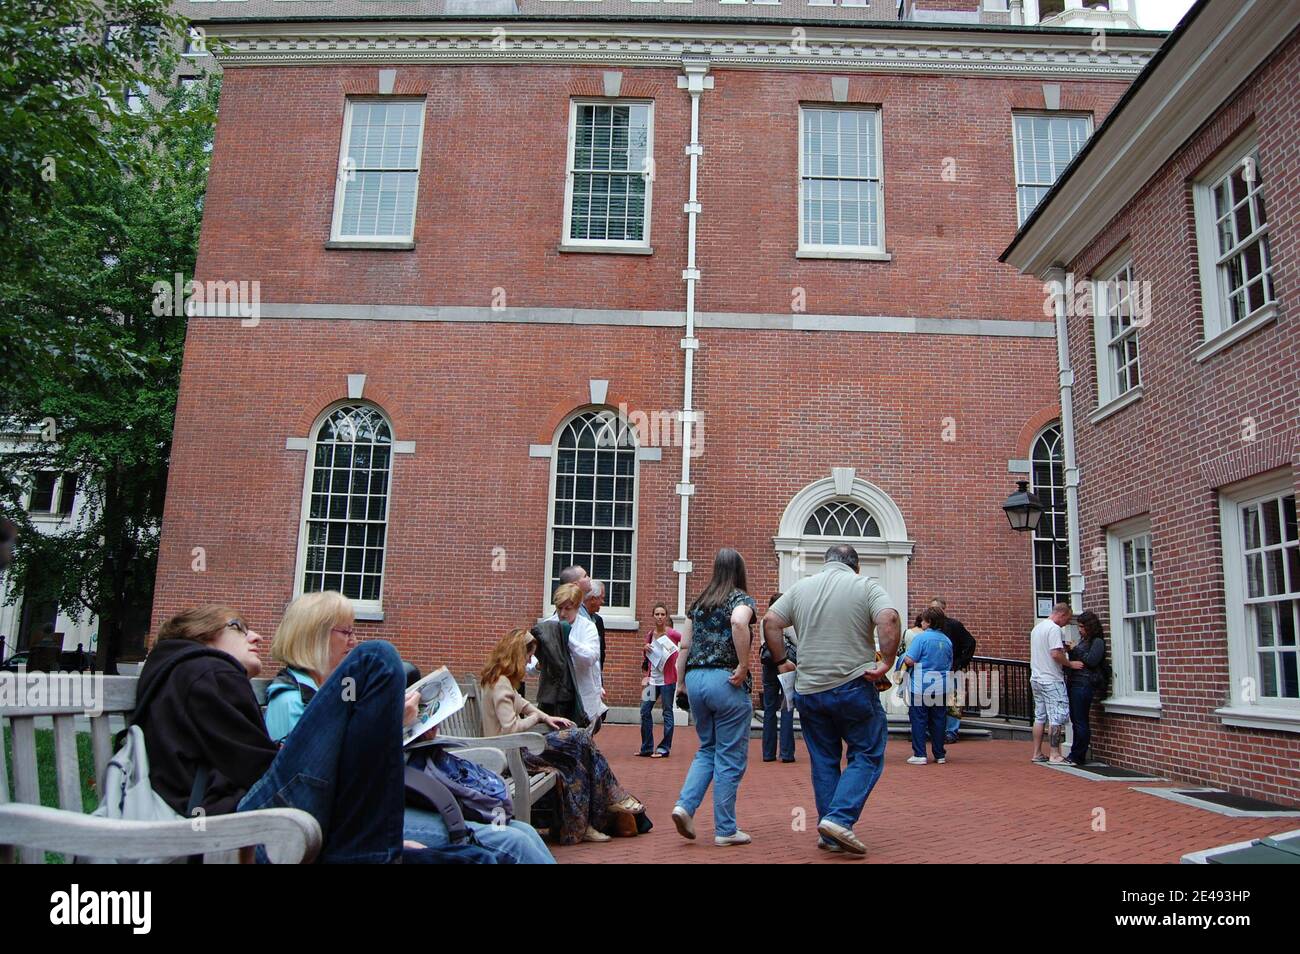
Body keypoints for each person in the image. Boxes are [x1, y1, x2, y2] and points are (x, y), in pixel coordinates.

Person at [265, 592, 555, 864]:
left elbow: (359, 755)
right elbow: (314, 786)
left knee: (521, 831)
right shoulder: (291, 701)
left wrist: (413, 732)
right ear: (314, 636)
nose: (354, 642)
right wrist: (393, 724)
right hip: (354, 823)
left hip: (387, 803)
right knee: (512, 842)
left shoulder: (337, 690)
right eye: (346, 632)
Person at [135, 605, 419, 863]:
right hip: (238, 837)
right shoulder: (206, 670)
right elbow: (258, 770)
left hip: (243, 829)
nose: (256, 636)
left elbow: (249, 763)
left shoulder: (188, 674)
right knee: (375, 658)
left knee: (457, 854)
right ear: (200, 634)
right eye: (239, 627)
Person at [764, 544, 900, 857]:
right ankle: (839, 819)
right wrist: (887, 661)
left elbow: (770, 621)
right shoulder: (866, 586)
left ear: (826, 563)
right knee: (866, 752)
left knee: (824, 759)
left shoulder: (801, 588)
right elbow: (889, 619)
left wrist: (782, 661)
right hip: (853, 684)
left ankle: (829, 832)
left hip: (810, 690)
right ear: (856, 566)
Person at [480, 628, 644, 845]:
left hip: (516, 749)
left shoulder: (501, 679)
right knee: (579, 739)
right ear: (517, 654)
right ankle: (611, 797)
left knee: (575, 762)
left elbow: (524, 705)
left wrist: (546, 717)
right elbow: (510, 728)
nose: (530, 660)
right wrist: (536, 720)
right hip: (510, 754)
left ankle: (582, 826)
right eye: (528, 655)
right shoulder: (501, 683)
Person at [672, 548, 757, 847]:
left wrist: (681, 682)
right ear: (739, 571)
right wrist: (744, 664)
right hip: (726, 680)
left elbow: (684, 646)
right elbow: (738, 622)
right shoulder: (740, 599)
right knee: (730, 755)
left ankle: (684, 806)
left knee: (707, 748)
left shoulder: (699, 603)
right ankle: (725, 829)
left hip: (695, 680)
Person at [557, 566, 606, 732]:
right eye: (559, 608)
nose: (563, 614)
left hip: (584, 697)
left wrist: (566, 638)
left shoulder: (587, 625)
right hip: (557, 698)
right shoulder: (548, 625)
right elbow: (532, 664)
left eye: (568, 609)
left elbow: (592, 657)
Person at [901, 607, 952, 765]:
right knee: (938, 720)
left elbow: (910, 660)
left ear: (929, 622)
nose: (921, 622)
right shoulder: (947, 640)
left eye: (923, 620)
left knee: (919, 719)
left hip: (921, 685)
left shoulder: (921, 639)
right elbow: (949, 663)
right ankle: (939, 754)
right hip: (941, 685)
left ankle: (920, 754)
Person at [1030, 602, 1073, 765]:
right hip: (1051, 678)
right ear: (1061, 614)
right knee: (1056, 716)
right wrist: (1070, 663)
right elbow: (1055, 654)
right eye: (1067, 619)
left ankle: (1037, 752)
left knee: (1039, 716)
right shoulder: (1055, 629)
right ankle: (1055, 753)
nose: (1067, 623)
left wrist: (1065, 649)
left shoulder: (1037, 628)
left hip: (1036, 678)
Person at [929, 597, 975, 744]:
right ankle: (935, 730)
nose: (932, 611)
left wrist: (960, 663)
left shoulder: (954, 625)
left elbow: (970, 643)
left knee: (953, 700)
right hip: (934, 671)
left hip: (952, 671)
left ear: (943, 609)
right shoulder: (930, 628)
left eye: (935, 608)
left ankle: (951, 731)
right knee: (933, 700)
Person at [1064, 610, 1107, 767]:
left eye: (1082, 627)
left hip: (1085, 684)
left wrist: (1076, 649)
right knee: (1076, 720)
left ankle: (1078, 755)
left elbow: (1091, 660)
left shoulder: (1097, 642)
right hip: (1075, 682)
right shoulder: (1083, 641)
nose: (1080, 630)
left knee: (1081, 721)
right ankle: (1075, 752)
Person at [639, 602, 680, 758]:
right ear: (653, 616)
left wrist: (675, 655)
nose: (660, 617)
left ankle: (664, 748)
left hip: (668, 681)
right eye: (657, 614)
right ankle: (647, 747)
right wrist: (645, 649)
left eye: (663, 614)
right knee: (644, 711)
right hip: (652, 681)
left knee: (667, 713)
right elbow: (648, 658)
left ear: (666, 616)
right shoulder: (649, 634)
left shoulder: (672, 634)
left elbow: (684, 644)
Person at [760, 591, 797, 764]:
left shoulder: (764, 621)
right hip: (786, 666)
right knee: (787, 707)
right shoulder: (785, 622)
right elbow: (797, 642)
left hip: (768, 666)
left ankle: (768, 753)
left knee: (769, 709)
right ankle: (787, 753)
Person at [584, 578, 608, 669]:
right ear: (593, 599)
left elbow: (601, 651)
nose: (603, 602)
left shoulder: (598, 621)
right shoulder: (574, 618)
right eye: (602, 598)